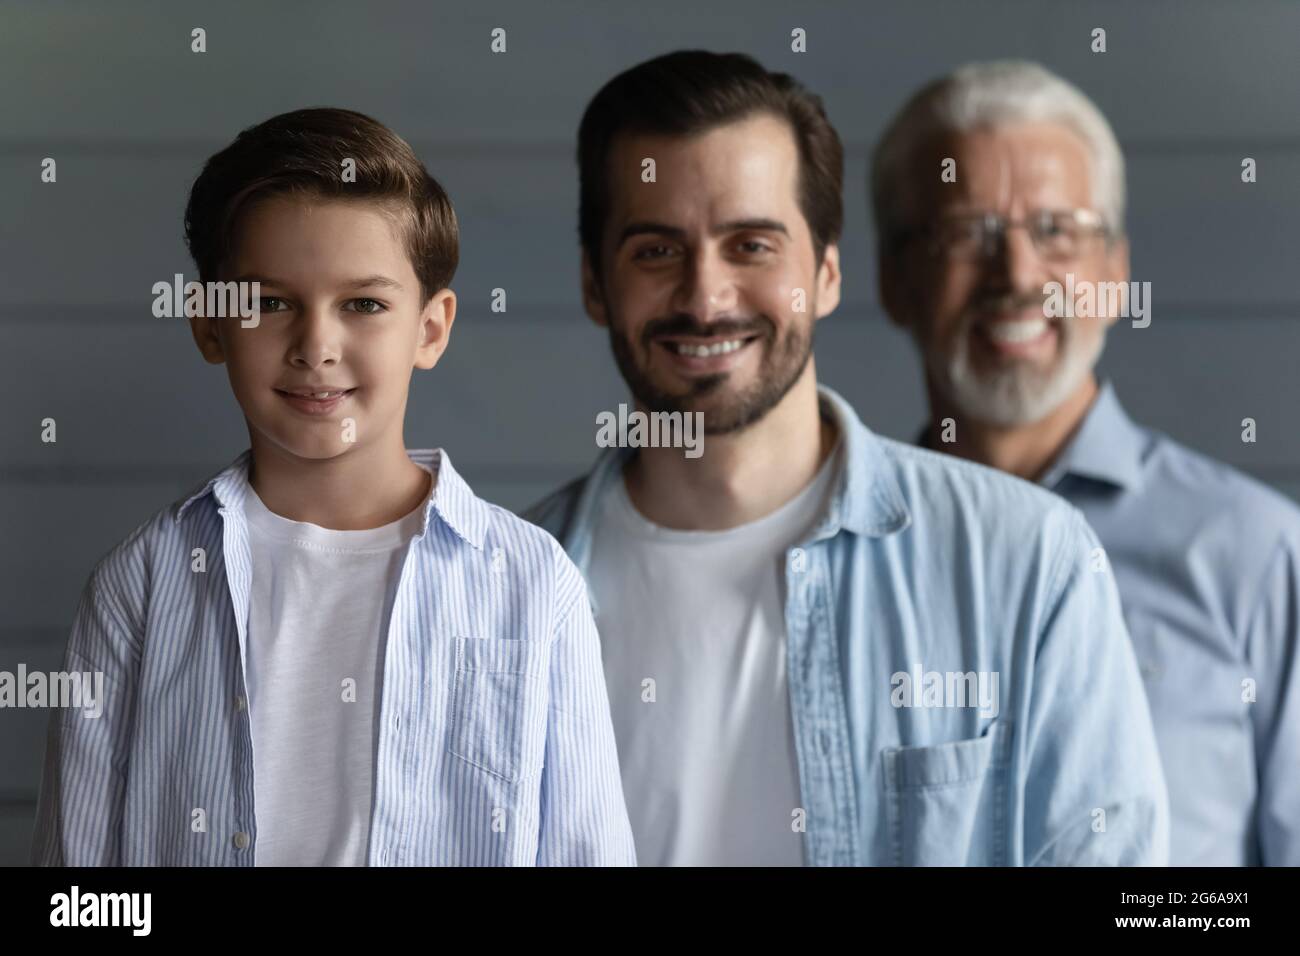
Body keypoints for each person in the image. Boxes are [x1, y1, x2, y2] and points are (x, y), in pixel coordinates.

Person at [526, 51, 1168, 866]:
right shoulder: (505, 596)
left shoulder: (1031, 560)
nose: (705, 297)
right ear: (593, 283)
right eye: (655, 251)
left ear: (827, 272)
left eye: (751, 245)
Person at [31, 108, 634, 866]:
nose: (317, 346)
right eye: (270, 303)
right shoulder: (140, 588)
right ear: (210, 324)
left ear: (431, 328)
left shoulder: (534, 585)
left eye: (364, 304)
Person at [873, 60, 1300, 865]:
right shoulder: (845, 563)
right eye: (968, 234)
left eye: (1058, 231)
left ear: (1114, 271)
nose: (1019, 277)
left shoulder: (1261, 557)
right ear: (892, 277)